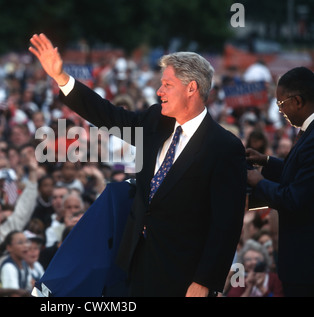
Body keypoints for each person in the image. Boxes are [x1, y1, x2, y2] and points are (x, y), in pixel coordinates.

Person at [29, 33, 247, 296]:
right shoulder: (156, 120)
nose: (159, 91)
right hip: (134, 269)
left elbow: (226, 226)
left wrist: (204, 281)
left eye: (167, 84)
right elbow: (109, 116)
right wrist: (61, 78)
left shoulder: (224, 147)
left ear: (191, 88)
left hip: (183, 278)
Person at [246, 66, 314, 297]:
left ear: (297, 101)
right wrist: (266, 160)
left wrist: (258, 182)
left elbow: (295, 197)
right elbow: (301, 175)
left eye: (281, 104)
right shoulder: (308, 133)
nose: (279, 110)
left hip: (305, 264)